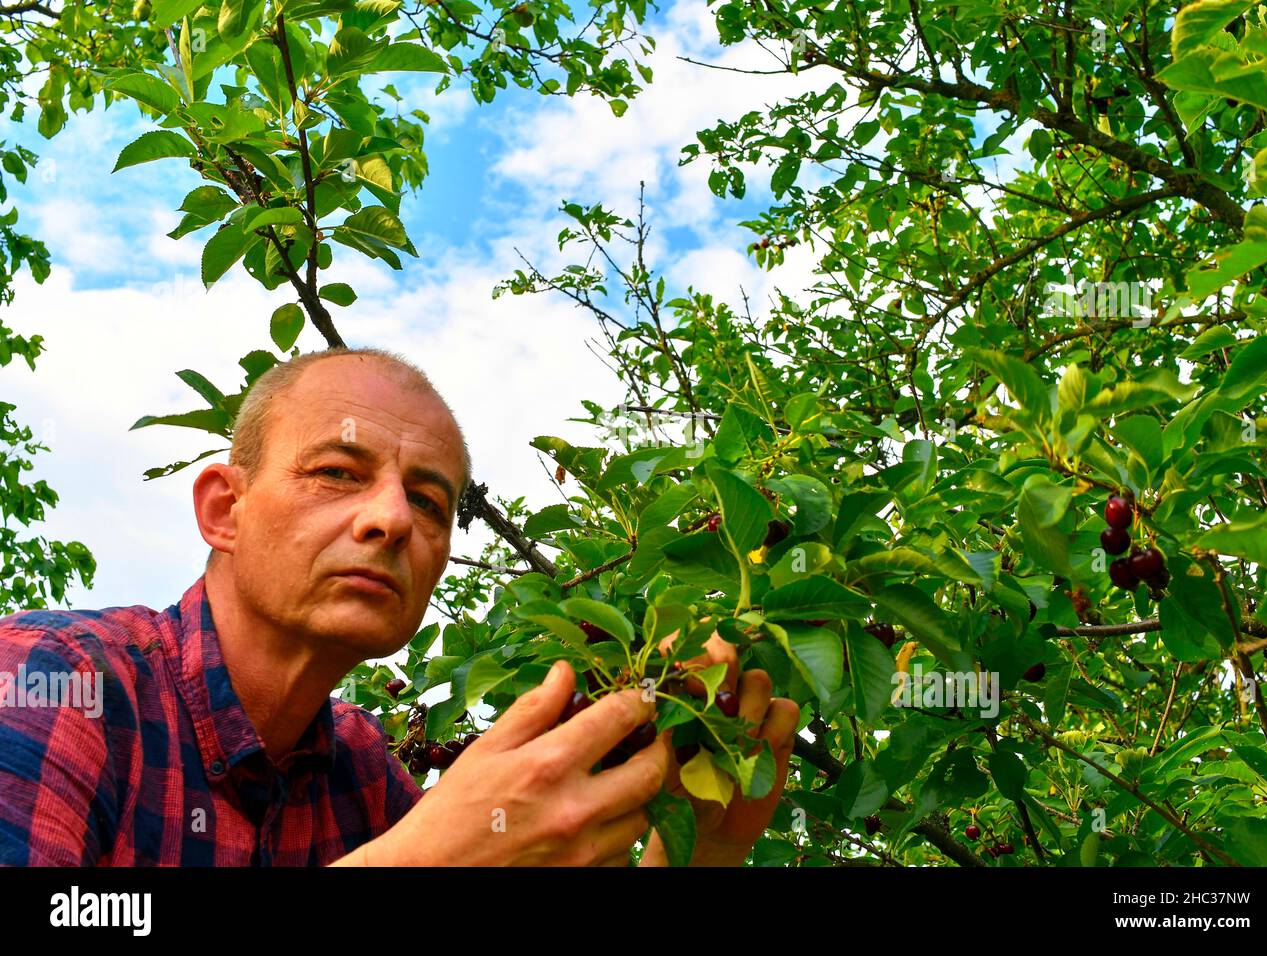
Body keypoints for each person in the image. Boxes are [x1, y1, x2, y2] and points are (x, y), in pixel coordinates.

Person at [0, 346, 799, 866]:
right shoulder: (53, 683)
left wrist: (701, 851)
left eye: (430, 501)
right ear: (224, 510)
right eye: (338, 473)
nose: (392, 520)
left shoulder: (363, 774)